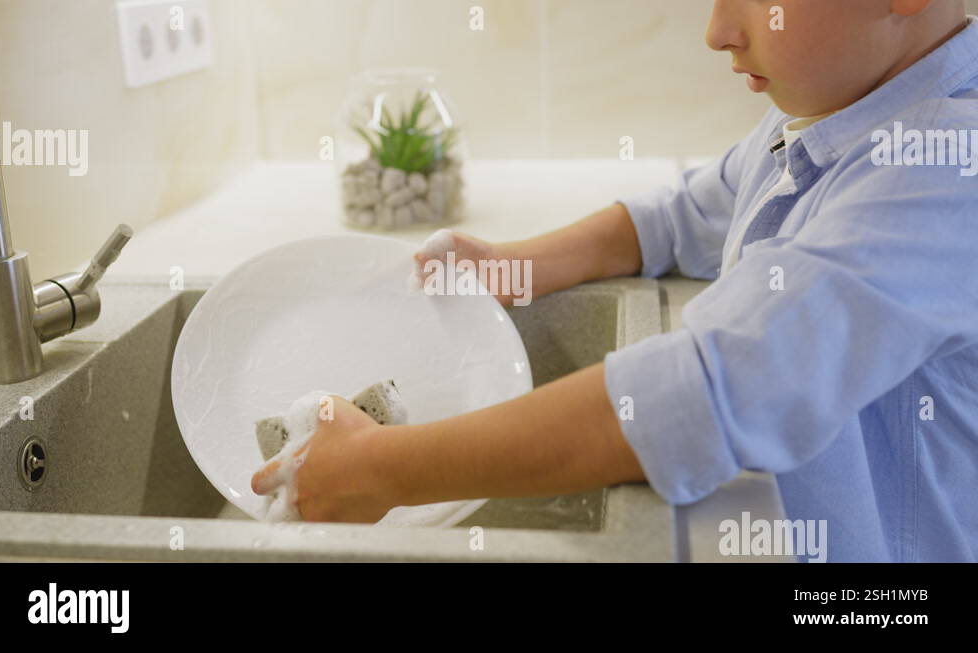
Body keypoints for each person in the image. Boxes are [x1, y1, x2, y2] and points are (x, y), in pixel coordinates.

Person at [252, 0, 978, 562]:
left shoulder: (945, 172)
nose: (718, 30)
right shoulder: (838, 108)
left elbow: (712, 390)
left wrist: (382, 467)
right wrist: (520, 263)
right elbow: (685, 215)